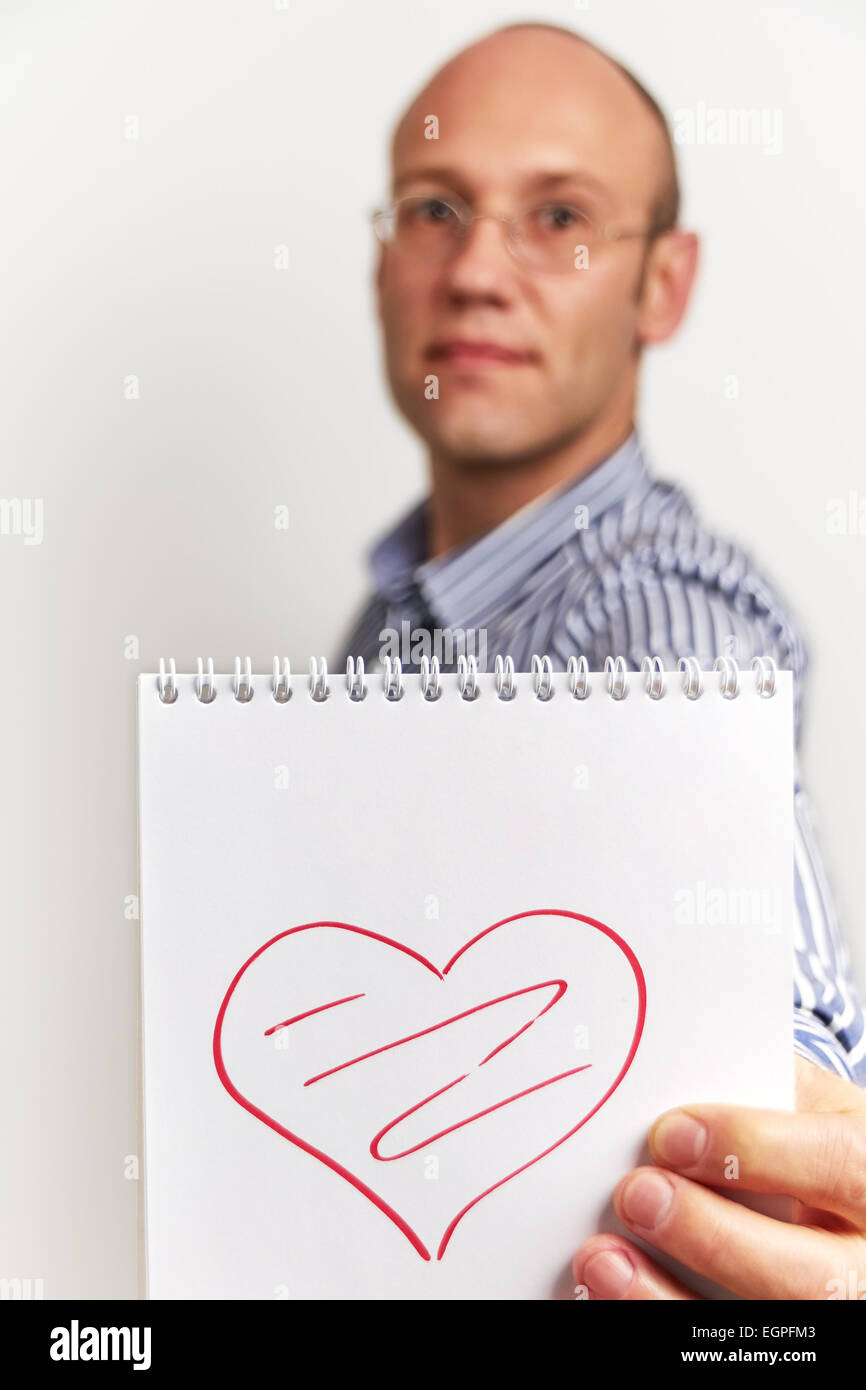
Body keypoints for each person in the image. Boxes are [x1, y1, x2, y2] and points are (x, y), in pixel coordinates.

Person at [338, 22, 866, 1299]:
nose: (474, 270)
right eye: (434, 208)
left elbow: (783, 1067)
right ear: (379, 263)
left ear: (662, 286)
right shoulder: (392, 622)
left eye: (558, 216)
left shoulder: (661, 619)